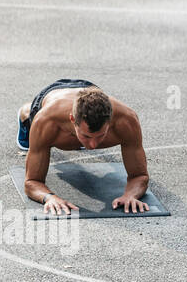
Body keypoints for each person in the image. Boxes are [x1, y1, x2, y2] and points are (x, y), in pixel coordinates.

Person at [15, 79, 149, 215]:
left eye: (101, 136)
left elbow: (140, 176)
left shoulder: (127, 120)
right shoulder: (47, 121)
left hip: (90, 90)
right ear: (72, 119)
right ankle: (24, 112)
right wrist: (49, 198)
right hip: (53, 97)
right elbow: (32, 181)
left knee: (84, 137)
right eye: (87, 137)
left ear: (110, 120)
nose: (93, 145)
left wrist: (131, 195)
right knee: (30, 116)